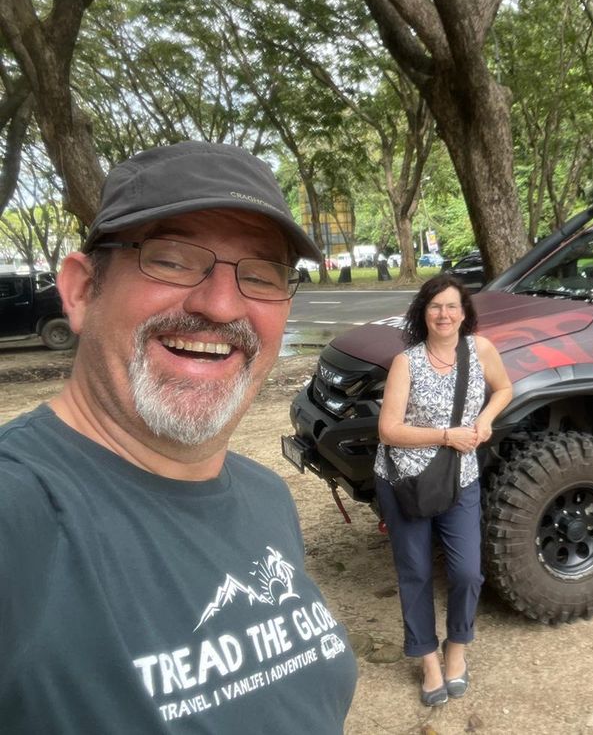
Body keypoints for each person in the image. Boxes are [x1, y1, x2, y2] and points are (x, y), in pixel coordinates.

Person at [0, 142, 358, 733]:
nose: (220, 305)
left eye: (262, 273)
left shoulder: (267, 499)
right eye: (168, 259)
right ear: (83, 290)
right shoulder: (22, 513)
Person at [375, 273, 512, 706]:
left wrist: (485, 419)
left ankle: (458, 649)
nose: (444, 314)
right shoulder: (407, 362)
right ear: (423, 312)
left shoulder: (480, 350)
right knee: (415, 572)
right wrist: (447, 435)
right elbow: (389, 431)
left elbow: (504, 389)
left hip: (461, 477)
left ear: (464, 312)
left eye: (452, 306)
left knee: (467, 571)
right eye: (435, 306)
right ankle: (428, 660)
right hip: (406, 481)